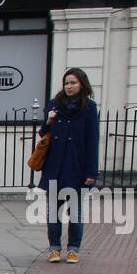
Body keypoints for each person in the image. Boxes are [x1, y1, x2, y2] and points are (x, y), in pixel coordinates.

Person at [38, 67, 99, 263]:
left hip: (77, 166)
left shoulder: (89, 107)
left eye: (73, 82)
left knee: (76, 213)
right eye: (66, 83)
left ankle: (73, 249)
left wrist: (91, 171)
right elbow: (43, 133)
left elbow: (93, 140)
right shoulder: (55, 105)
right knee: (54, 212)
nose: (69, 86)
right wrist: (49, 120)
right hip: (55, 166)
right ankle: (54, 248)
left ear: (81, 84)